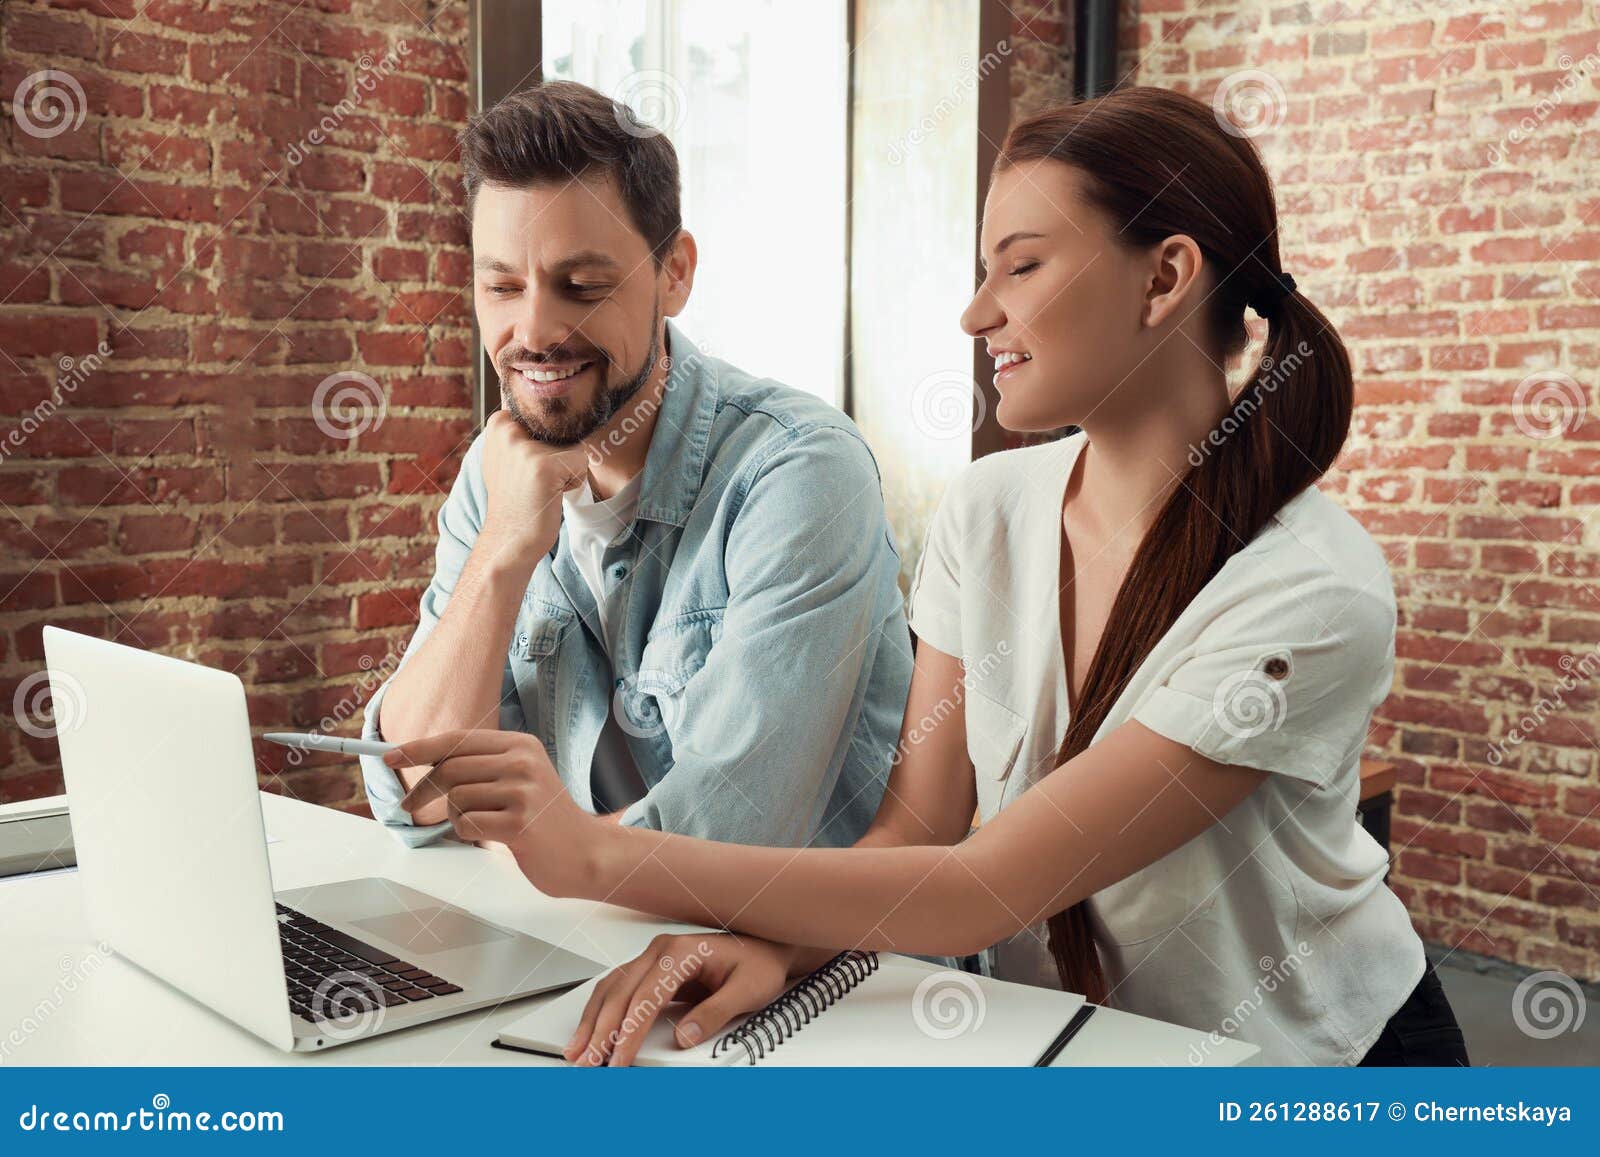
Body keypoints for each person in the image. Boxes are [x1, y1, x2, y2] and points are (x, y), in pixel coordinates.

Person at [383, 86, 1468, 1067]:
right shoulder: (988, 507)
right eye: (982, 269)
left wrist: (586, 855)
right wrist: (777, 947)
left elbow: (986, 885)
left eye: (1021, 266)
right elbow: (918, 831)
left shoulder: (1311, 589)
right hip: (1070, 1045)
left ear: (1165, 278)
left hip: (1309, 1062)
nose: (975, 312)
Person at [359, 81, 912, 852]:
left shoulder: (799, 472)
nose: (535, 331)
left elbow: (731, 834)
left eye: (582, 286)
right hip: (567, 918)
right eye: (502, 286)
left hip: (791, 937)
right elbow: (417, 792)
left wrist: (545, 848)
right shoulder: (497, 474)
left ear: (674, 273)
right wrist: (502, 552)